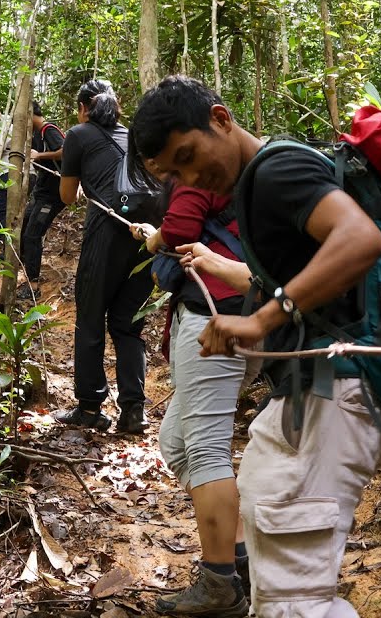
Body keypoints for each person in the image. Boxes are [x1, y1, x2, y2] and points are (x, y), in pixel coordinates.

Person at [129, 75, 381, 618]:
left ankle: (226, 580)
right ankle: (238, 571)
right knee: (283, 579)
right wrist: (237, 273)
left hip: (337, 386)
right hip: (313, 389)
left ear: (221, 119)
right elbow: (301, 269)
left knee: (293, 601)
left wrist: (266, 316)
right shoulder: (255, 184)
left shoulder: (275, 171)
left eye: (189, 156)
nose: (191, 176)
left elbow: (361, 240)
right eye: (173, 173)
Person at [129, 186, 251, 617]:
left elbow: (179, 226)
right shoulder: (220, 168)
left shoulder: (199, 168)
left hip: (216, 312)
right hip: (216, 306)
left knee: (205, 450)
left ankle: (221, 584)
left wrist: (154, 238)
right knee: (177, 443)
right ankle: (241, 563)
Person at [55, 79, 152, 434]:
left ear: (83, 108)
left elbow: (67, 196)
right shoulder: (135, 137)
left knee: (91, 315)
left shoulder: (78, 134)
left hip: (107, 232)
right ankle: (133, 411)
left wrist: (81, 184)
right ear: (117, 104)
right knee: (128, 322)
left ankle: (91, 407)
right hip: (148, 235)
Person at [19, 101, 66, 293]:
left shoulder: (48, 129)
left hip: (52, 195)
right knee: (24, 226)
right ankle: (27, 269)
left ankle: (33, 285)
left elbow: (65, 152)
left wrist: (40, 156)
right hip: (41, 191)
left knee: (33, 234)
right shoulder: (36, 134)